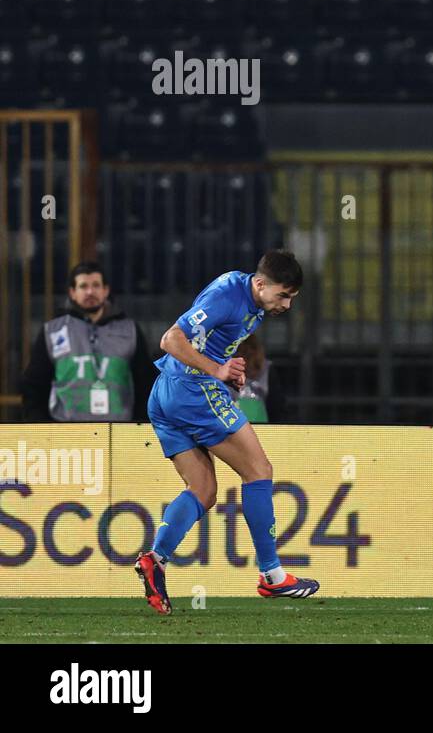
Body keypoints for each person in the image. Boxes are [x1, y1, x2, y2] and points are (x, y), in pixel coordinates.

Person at [133, 250, 320, 615]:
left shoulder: (246, 293)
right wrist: (216, 371)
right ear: (262, 283)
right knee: (259, 471)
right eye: (283, 295)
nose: (286, 304)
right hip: (193, 392)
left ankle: (155, 560)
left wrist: (226, 368)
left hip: (168, 393)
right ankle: (272, 575)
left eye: (292, 298)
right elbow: (171, 340)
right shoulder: (228, 298)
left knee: (203, 491)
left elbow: (204, 341)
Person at [20, 261, 157, 422]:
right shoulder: (53, 331)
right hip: (66, 435)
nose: (90, 291)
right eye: (83, 286)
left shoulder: (129, 330)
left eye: (96, 285)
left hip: (119, 431)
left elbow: (146, 384)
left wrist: (139, 425)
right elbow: (34, 386)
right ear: (72, 292)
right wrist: (43, 428)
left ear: (106, 290)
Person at [234, 333, 285, 423]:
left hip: (236, 420)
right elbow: (277, 405)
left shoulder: (227, 367)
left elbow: (277, 403)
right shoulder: (267, 367)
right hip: (259, 419)